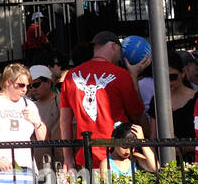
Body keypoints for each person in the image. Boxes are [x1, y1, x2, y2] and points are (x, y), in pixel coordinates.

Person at [59, 31, 149, 171]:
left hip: (87, 157)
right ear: (113, 46)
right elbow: (137, 113)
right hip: (118, 158)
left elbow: (65, 122)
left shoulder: (71, 76)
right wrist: (133, 77)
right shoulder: (120, 75)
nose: (121, 56)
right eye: (120, 50)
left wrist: (68, 159)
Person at [0, 63, 47, 171]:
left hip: (25, 167)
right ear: (8, 82)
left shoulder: (29, 104)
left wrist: (37, 122)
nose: (25, 89)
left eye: (28, 86)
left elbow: (42, 139)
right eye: (21, 85)